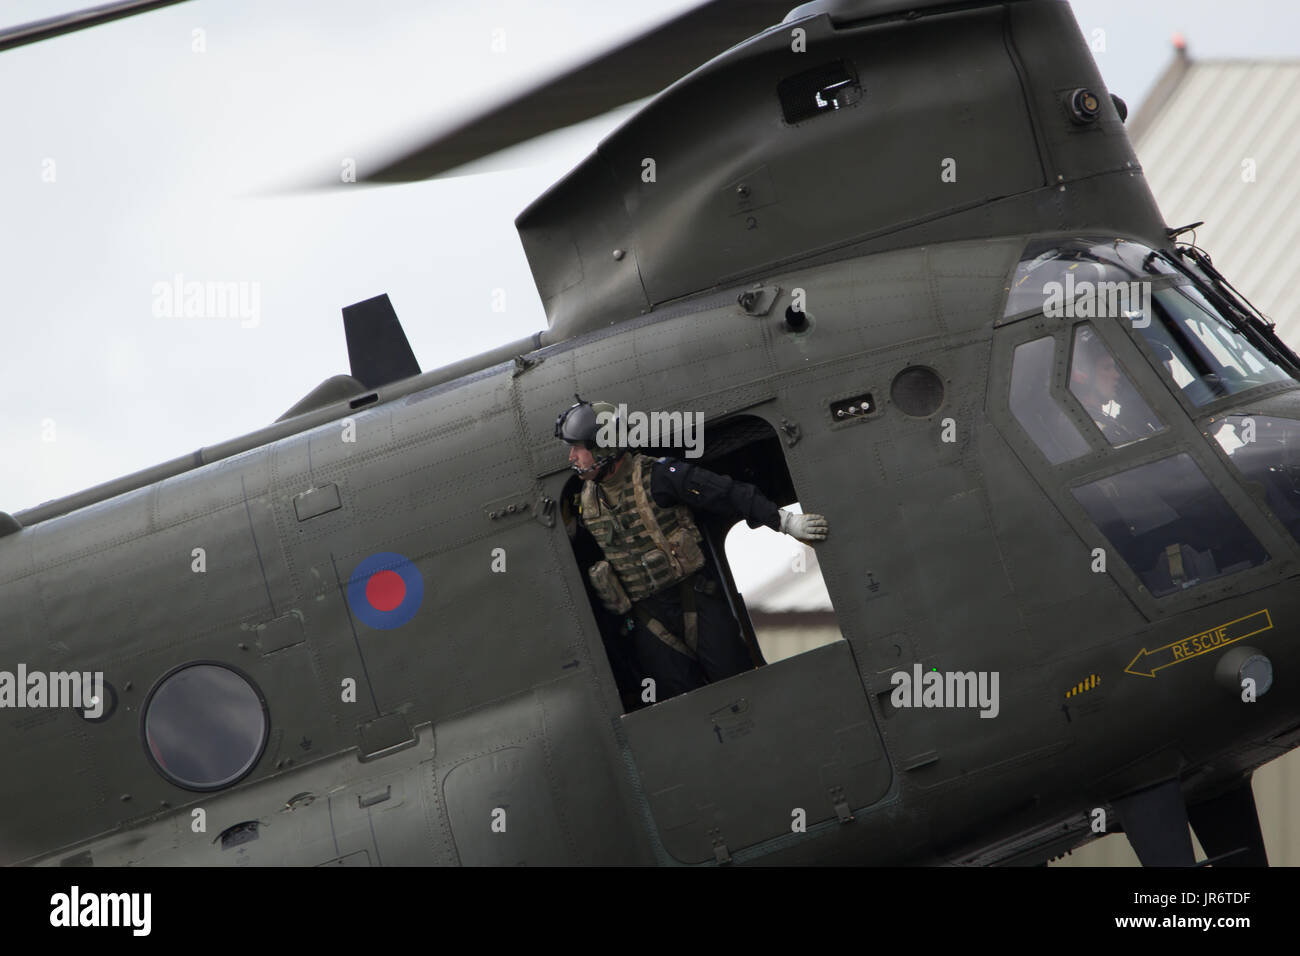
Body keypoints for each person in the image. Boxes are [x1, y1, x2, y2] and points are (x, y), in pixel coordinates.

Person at [555, 398, 829, 705]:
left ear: (602, 446)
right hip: (649, 617)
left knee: (741, 684)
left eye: (578, 448)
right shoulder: (585, 504)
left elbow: (727, 493)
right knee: (679, 704)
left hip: (695, 598)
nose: (572, 456)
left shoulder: (659, 476)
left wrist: (786, 521)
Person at [1069, 327, 1161, 445]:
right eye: (1107, 368)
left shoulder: (1101, 421)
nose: (1116, 375)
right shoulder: (1085, 428)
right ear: (1081, 375)